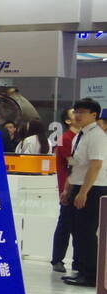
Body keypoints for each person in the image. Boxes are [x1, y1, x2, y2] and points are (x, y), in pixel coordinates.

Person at [60, 98, 107, 288]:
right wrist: (68, 188)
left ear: (94, 115)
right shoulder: (81, 135)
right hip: (78, 186)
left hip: (92, 188)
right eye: (76, 111)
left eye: (82, 112)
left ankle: (91, 275)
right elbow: (76, 166)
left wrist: (84, 192)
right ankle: (82, 269)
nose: (77, 115)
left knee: (86, 231)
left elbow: (95, 165)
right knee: (77, 230)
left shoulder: (97, 136)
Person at [51, 109, 79, 273]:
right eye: (75, 113)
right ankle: (57, 259)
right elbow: (73, 164)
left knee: (79, 227)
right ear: (68, 121)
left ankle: (78, 260)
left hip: (79, 186)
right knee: (65, 224)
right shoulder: (66, 139)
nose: (79, 115)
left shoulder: (81, 137)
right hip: (68, 188)